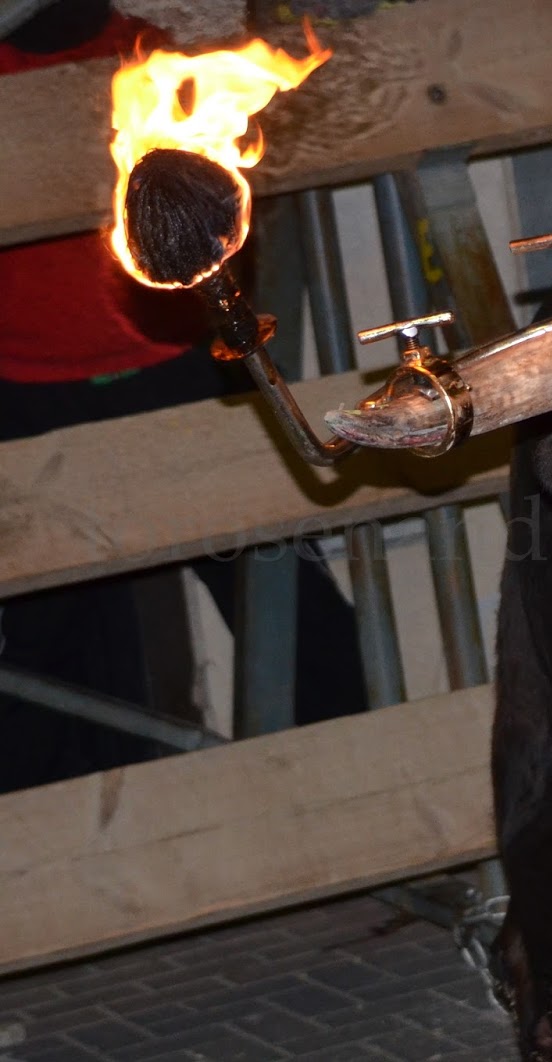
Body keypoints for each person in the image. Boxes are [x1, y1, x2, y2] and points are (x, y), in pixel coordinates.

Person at [0, 0, 368, 792]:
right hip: (25, 404)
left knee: (294, 610)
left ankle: (356, 800)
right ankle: (44, 879)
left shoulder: (152, 60)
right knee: (35, 658)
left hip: (177, 381)